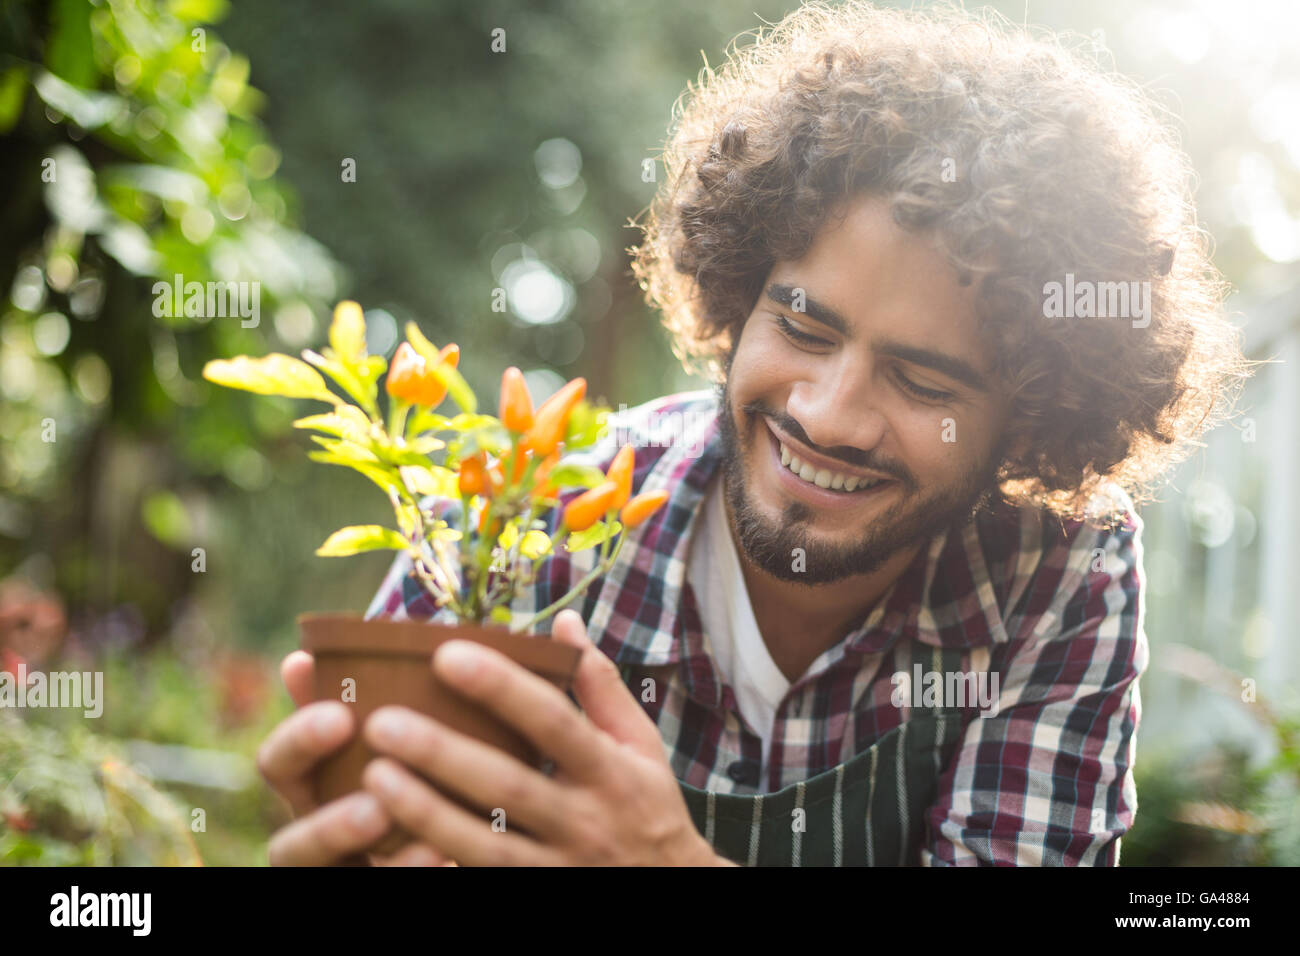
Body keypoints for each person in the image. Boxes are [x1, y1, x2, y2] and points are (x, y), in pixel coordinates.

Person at [257, 1, 1248, 866]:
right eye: (803, 327)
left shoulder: (1057, 577)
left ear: (1030, 413)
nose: (824, 412)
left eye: (917, 378)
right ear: (741, 298)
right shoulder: (538, 507)